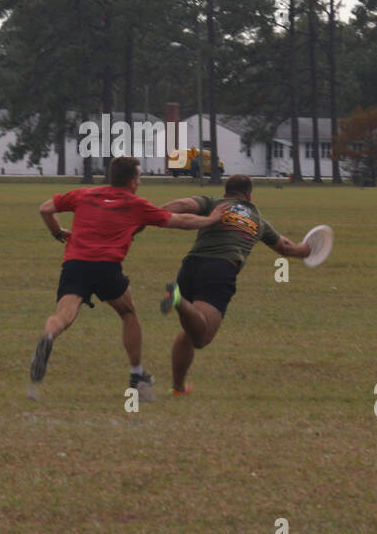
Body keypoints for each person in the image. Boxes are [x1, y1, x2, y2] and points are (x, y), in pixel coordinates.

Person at [31, 156, 228, 399]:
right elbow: (179, 221)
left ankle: (48, 336)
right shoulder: (135, 204)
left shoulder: (83, 194)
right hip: (106, 268)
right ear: (133, 181)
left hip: (74, 265)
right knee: (127, 313)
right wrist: (211, 219)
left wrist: (57, 231)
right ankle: (136, 374)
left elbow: (45, 208)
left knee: (64, 315)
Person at [158, 174, 312, 394]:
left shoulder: (214, 203)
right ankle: (177, 300)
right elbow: (285, 247)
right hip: (220, 270)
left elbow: (183, 205)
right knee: (201, 338)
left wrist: (153, 213)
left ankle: (178, 387)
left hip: (190, 267)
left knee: (189, 332)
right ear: (249, 195)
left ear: (225, 193)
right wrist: (305, 250)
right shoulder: (258, 220)